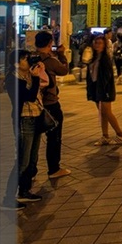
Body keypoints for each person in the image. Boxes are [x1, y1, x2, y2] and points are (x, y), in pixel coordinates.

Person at [2, 50, 46, 210]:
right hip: (24, 120)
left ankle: (24, 190)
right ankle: (8, 199)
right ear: (17, 62)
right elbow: (29, 96)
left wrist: (38, 73)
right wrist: (34, 77)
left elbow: (44, 86)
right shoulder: (12, 79)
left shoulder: (28, 74)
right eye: (26, 59)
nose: (29, 61)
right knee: (22, 161)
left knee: (32, 159)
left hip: (36, 117)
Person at [35, 31, 72, 179]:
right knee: (54, 137)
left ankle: (30, 172)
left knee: (33, 140)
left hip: (33, 104)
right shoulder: (50, 61)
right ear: (50, 44)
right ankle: (54, 169)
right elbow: (63, 70)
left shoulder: (30, 58)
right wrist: (62, 54)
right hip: (50, 104)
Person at [86, 35, 122, 146]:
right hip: (96, 88)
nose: (97, 45)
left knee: (107, 112)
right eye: (96, 43)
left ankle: (120, 134)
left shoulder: (105, 59)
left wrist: (103, 89)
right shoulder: (94, 58)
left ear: (104, 45)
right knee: (102, 113)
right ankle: (105, 136)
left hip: (104, 89)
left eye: (100, 43)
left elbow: (107, 76)